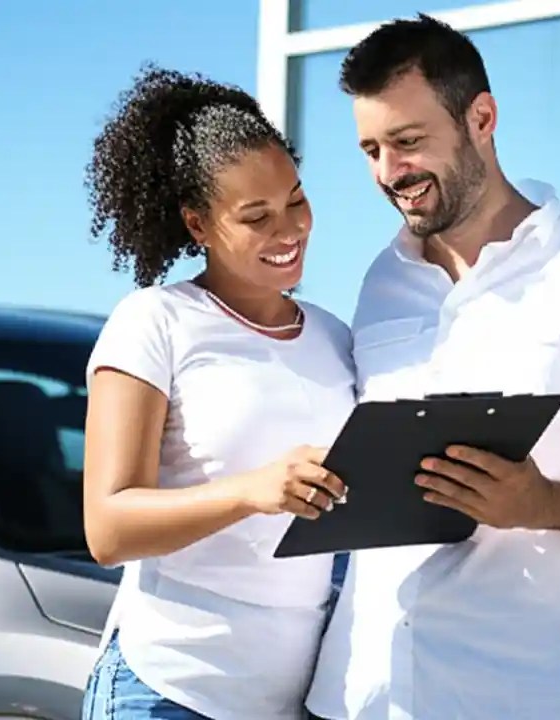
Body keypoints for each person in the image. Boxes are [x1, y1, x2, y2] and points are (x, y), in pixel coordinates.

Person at [305, 15, 560, 720]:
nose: (391, 173)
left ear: (482, 117)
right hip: (356, 694)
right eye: (371, 150)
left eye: (409, 142)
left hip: (512, 697)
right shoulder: (378, 283)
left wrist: (544, 504)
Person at [79, 64, 356, 720]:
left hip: (291, 701)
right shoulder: (154, 322)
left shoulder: (338, 339)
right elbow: (107, 527)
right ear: (199, 224)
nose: (288, 230)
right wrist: (250, 491)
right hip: (168, 692)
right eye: (255, 216)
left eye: (295, 199)